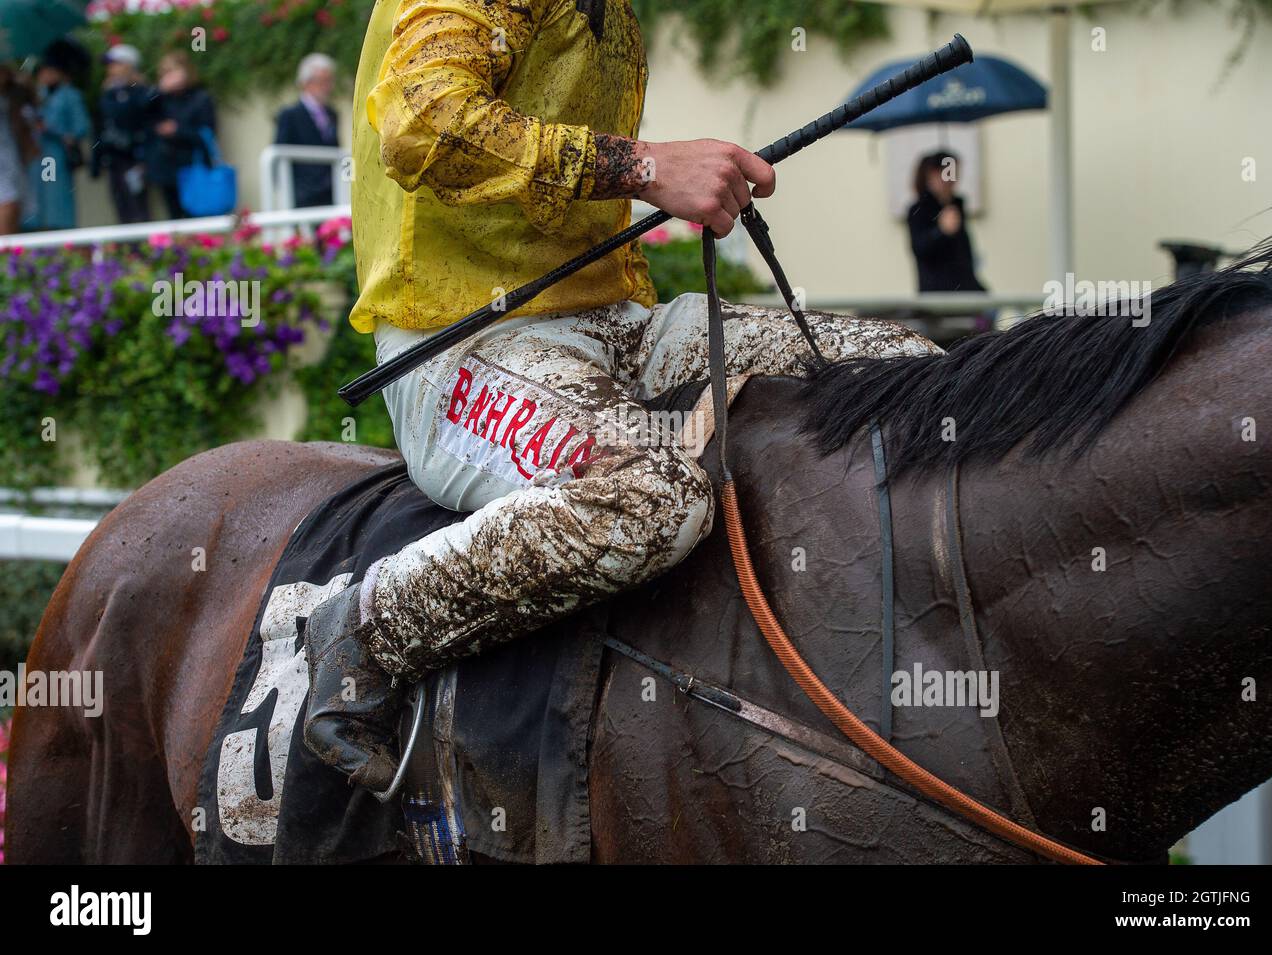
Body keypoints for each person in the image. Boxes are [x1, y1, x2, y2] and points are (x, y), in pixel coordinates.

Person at [301, 0, 938, 791]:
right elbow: (423, 123)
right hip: (462, 343)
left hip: (619, 323)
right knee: (655, 492)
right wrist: (646, 167)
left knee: (908, 367)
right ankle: (364, 625)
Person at [26, 40, 92, 231]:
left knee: (53, 193)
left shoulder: (70, 95)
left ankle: (55, 230)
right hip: (37, 153)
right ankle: (38, 228)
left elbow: (81, 127)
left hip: (53, 155)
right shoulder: (39, 94)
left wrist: (53, 129)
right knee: (37, 195)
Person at [144, 51, 217, 220]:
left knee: (198, 219)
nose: (170, 77)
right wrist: (159, 90)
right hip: (167, 170)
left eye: (173, 71)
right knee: (175, 219)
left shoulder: (200, 98)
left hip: (193, 167)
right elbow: (140, 113)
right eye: (165, 73)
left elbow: (207, 134)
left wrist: (178, 130)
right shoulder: (160, 99)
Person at [906, 150, 986, 293]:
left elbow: (963, 254)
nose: (952, 179)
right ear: (931, 174)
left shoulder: (956, 206)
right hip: (938, 294)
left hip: (966, 290)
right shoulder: (919, 210)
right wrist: (941, 231)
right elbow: (920, 248)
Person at [92, 44, 154, 224]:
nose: (110, 70)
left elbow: (136, 119)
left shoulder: (142, 92)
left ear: (129, 66)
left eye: (115, 64)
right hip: (114, 160)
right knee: (122, 209)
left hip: (135, 159)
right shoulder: (110, 93)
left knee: (139, 209)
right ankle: (129, 251)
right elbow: (102, 126)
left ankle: (145, 251)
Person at [273, 53, 340, 208]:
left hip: (331, 194)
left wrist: (350, 181)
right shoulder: (290, 115)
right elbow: (279, 152)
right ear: (305, 83)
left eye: (329, 81)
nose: (327, 87)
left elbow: (337, 151)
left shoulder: (332, 114)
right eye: (322, 81)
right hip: (302, 196)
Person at [0, 65, 37, 235]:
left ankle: (10, 256)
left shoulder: (13, 96)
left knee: (16, 205)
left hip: (11, 156)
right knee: (8, 202)